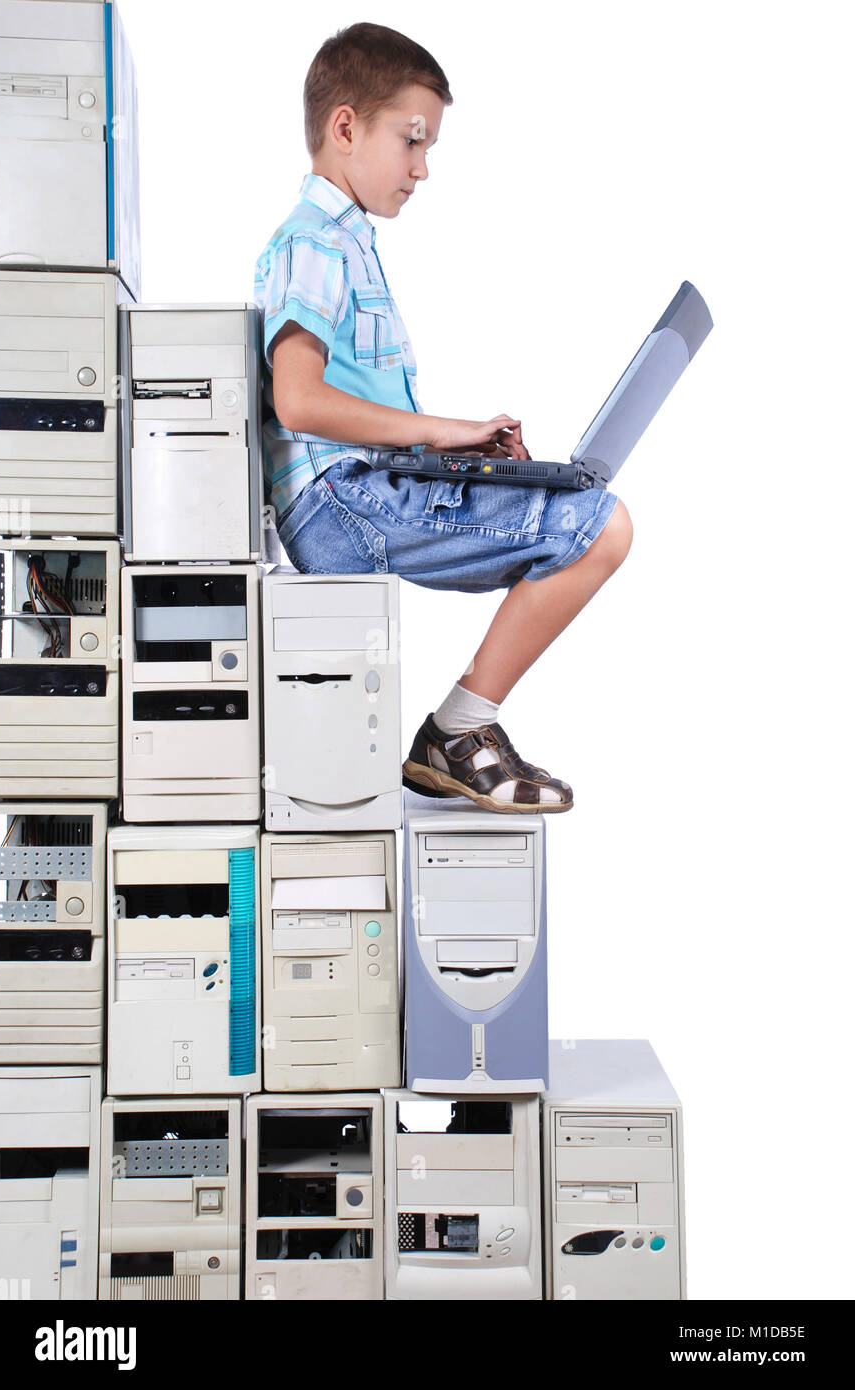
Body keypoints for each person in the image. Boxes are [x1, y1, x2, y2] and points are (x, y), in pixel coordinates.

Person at [254, 21, 632, 813]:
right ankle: (459, 735)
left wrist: (460, 455)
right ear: (346, 127)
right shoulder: (313, 244)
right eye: (412, 140)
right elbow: (297, 400)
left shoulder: (346, 243)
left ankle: (459, 731)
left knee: (584, 516)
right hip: (338, 506)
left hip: (363, 487)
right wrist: (439, 431)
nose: (423, 169)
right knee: (597, 525)